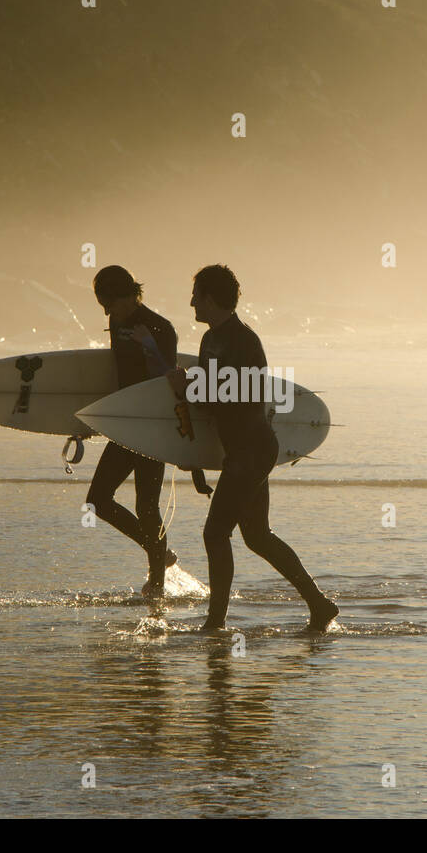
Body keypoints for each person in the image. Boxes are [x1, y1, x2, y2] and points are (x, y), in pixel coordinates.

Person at [166, 264, 339, 633]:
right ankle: (320, 605)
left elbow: (234, 400)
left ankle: (215, 623)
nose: (191, 301)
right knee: (257, 536)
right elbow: (211, 412)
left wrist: (187, 390)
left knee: (215, 533)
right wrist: (195, 461)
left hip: (253, 450)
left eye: (196, 294)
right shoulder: (211, 339)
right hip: (241, 451)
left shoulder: (244, 342)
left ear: (210, 298)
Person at [87, 265, 179, 597]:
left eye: (108, 303)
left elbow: (169, 378)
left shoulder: (161, 328)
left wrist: (150, 346)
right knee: (97, 500)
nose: (106, 312)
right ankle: (158, 553)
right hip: (125, 424)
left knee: (147, 507)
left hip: (153, 425)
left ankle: (157, 585)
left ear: (127, 296)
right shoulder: (117, 320)